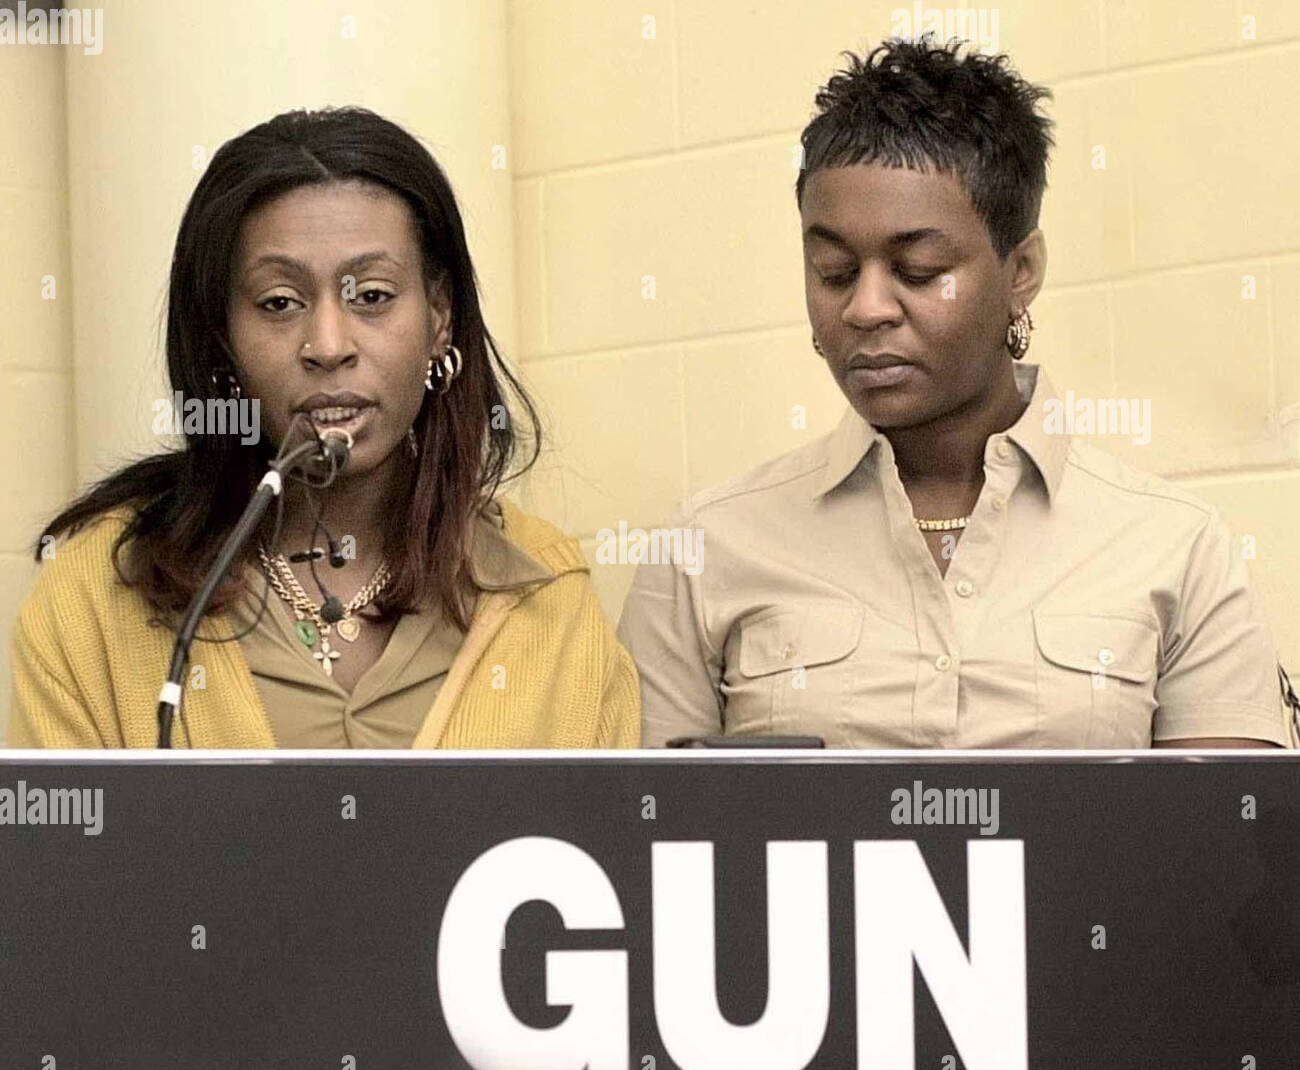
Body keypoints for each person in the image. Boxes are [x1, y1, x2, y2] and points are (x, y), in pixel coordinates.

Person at [617, 37, 1294, 750]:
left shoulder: (1176, 547)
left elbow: (1228, 847)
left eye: (918, 267)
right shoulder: (702, 551)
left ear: (1021, 270)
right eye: (834, 270)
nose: (866, 307)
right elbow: (648, 841)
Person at [10, 107, 638, 749]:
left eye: (372, 295)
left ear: (440, 317)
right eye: (280, 303)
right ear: (221, 336)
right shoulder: (95, 592)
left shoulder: (550, 597)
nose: (328, 345)